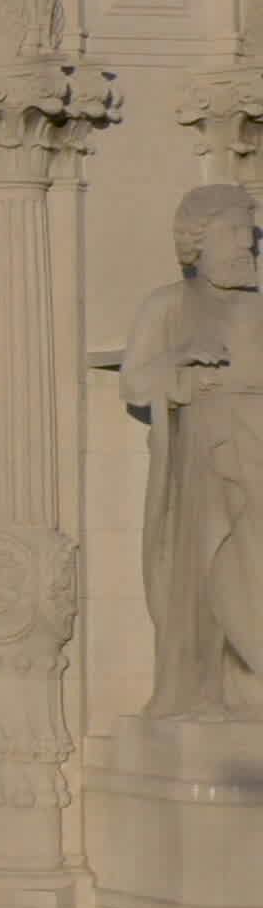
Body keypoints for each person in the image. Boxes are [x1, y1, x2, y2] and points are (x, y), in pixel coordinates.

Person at [121, 185, 263, 720]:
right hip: (209, 462)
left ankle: (249, 680)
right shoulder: (168, 305)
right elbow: (135, 383)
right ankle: (209, 685)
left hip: (258, 451)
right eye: (233, 233)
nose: (246, 246)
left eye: (249, 236)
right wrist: (180, 361)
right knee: (210, 567)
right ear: (196, 241)